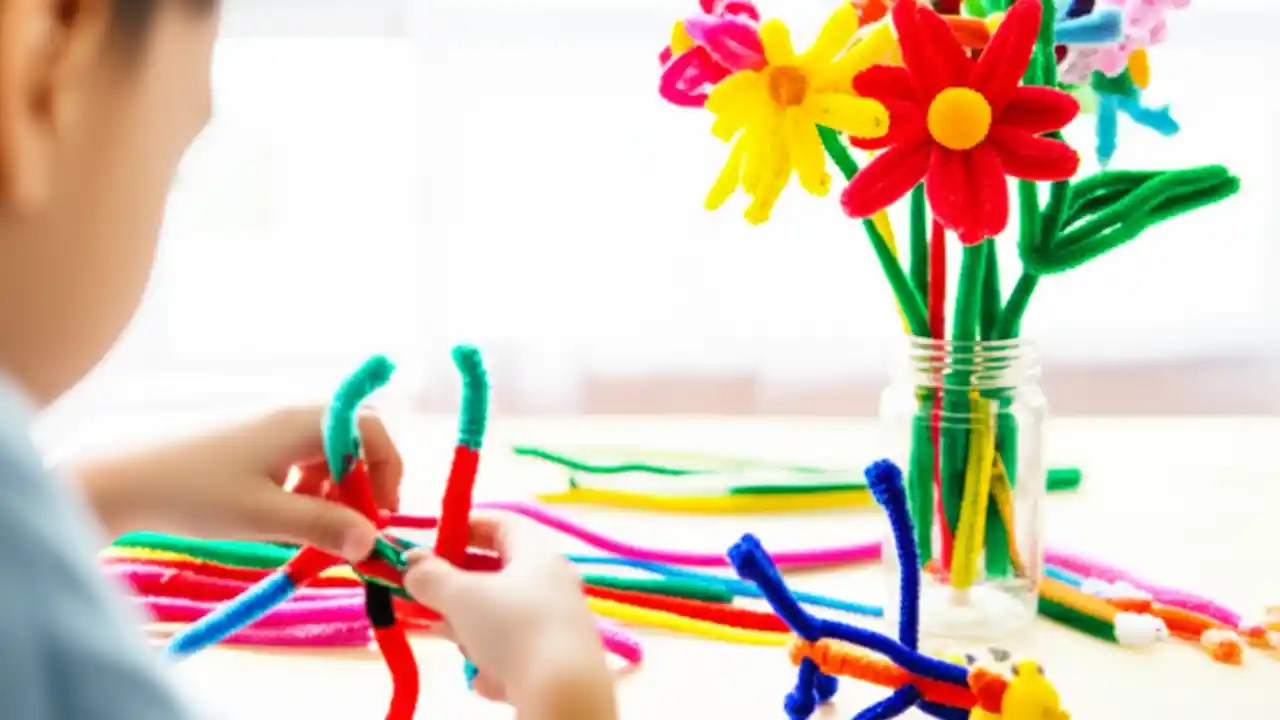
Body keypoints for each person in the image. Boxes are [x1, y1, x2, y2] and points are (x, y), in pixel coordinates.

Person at [0, 1, 616, 718]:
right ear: (41, 63)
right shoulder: (34, 617)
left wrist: (95, 493)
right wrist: (565, 688)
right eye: (171, 164)